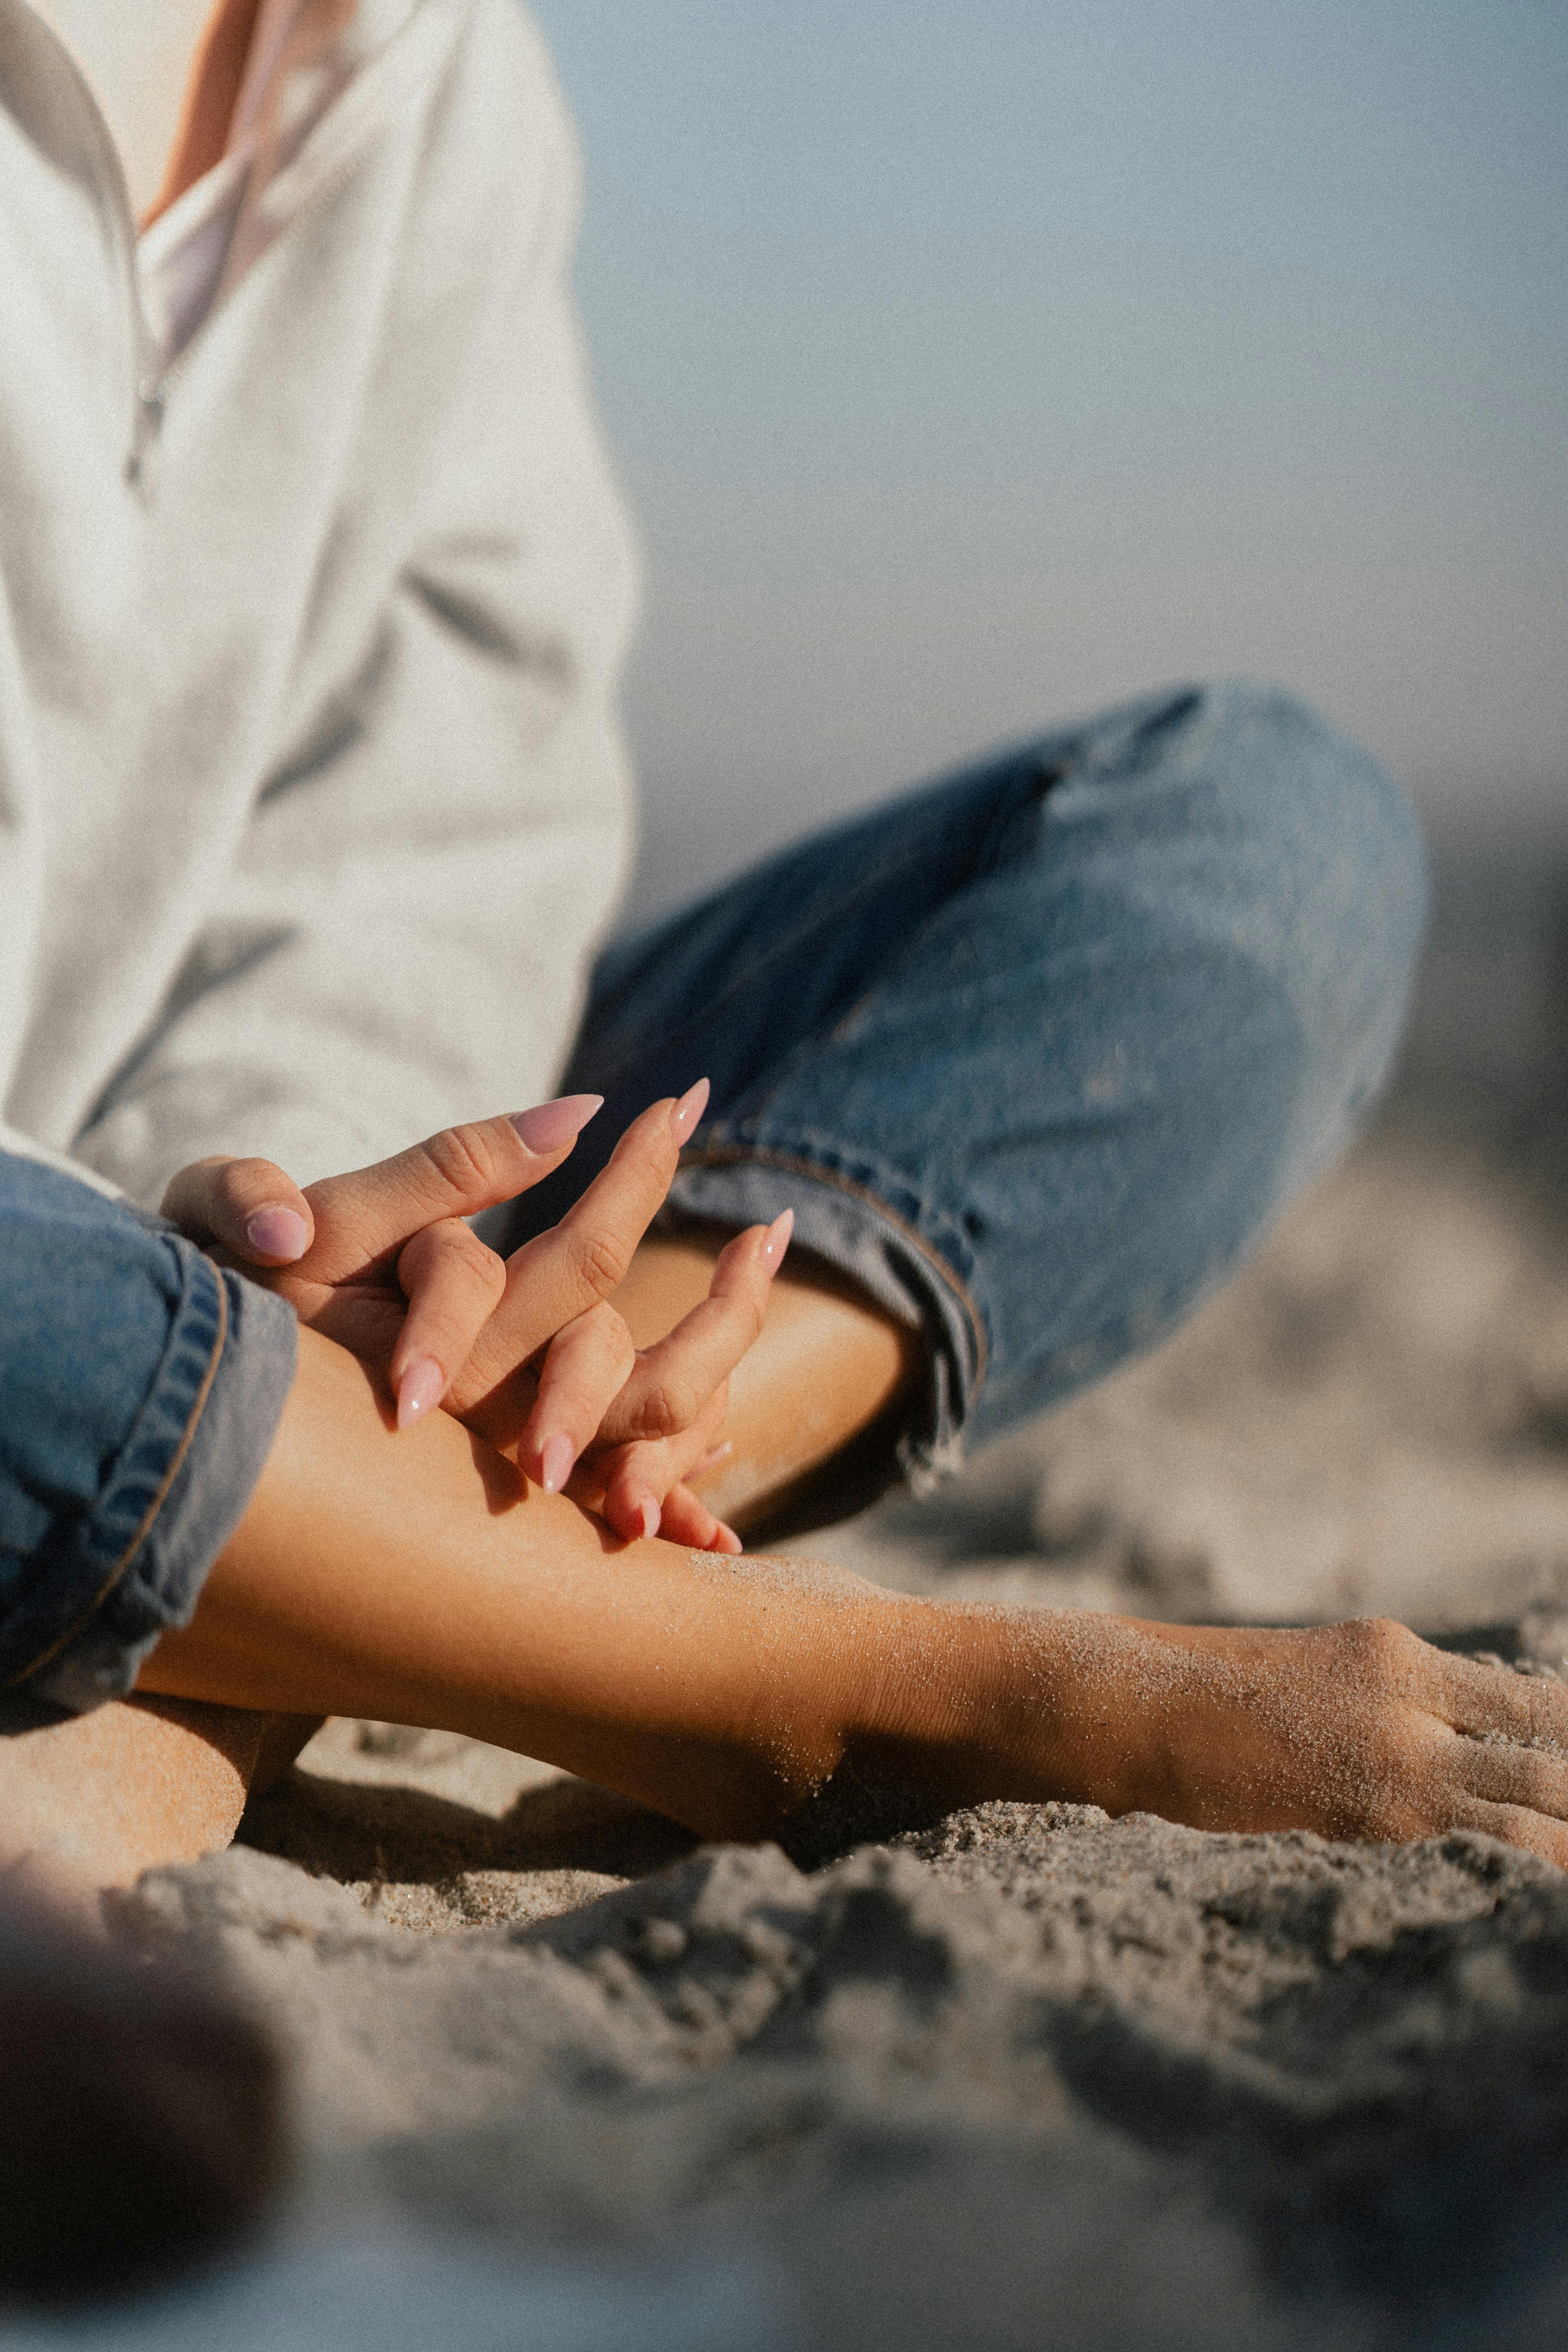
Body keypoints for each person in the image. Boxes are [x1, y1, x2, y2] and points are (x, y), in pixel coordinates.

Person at [12, 0, 1541, 1889]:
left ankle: (366, 1555)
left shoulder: (438, 75)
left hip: (225, 1221)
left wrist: (320, 1230)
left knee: (1265, 841)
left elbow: (440, 836)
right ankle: (809, 1698)